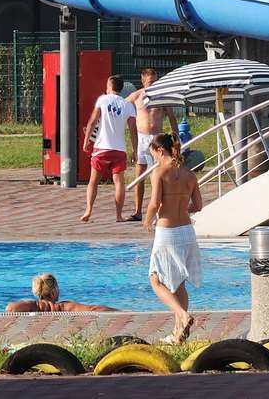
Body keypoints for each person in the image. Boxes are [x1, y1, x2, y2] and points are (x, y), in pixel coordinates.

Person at [144, 131, 203, 343]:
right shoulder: (189, 175)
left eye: (154, 155)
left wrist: (147, 219)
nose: (154, 159)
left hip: (167, 231)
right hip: (187, 230)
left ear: (161, 150)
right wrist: (181, 207)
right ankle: (178, 332)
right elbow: (198, 205)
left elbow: (154, 203)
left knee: (155, 279)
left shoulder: (159, 173)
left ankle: (182, 315)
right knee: (179, 283)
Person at [81, 74, 138, 223]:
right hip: (119, 149)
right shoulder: (128, 105)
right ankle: (119, 215)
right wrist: (135, 150)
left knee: (93, 181)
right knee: (119, 182)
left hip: (101, 147)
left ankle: (89, 210)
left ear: (110, 87)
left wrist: (86, 141)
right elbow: (133, 129)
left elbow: (93, 121)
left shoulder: (103, 100)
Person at [127, 68, 178, 222]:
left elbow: (172, 118)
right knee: (140, 175)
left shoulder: (161, 97)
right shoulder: (136, 96)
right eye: (150, 82)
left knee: (161, 175)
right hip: (142, 138)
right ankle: (137, 211)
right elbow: (121, 108)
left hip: (157, 138)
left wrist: (176, 140)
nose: (153, 84)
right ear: (143, 82)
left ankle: (161, 209)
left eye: (155, 81)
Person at [5, 272, 115, 313]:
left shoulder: (33, 306)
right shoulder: (64, 307)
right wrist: (119, 311)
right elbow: (93, 309)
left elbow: (10, 308)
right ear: (53, 292)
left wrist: (33, 304)